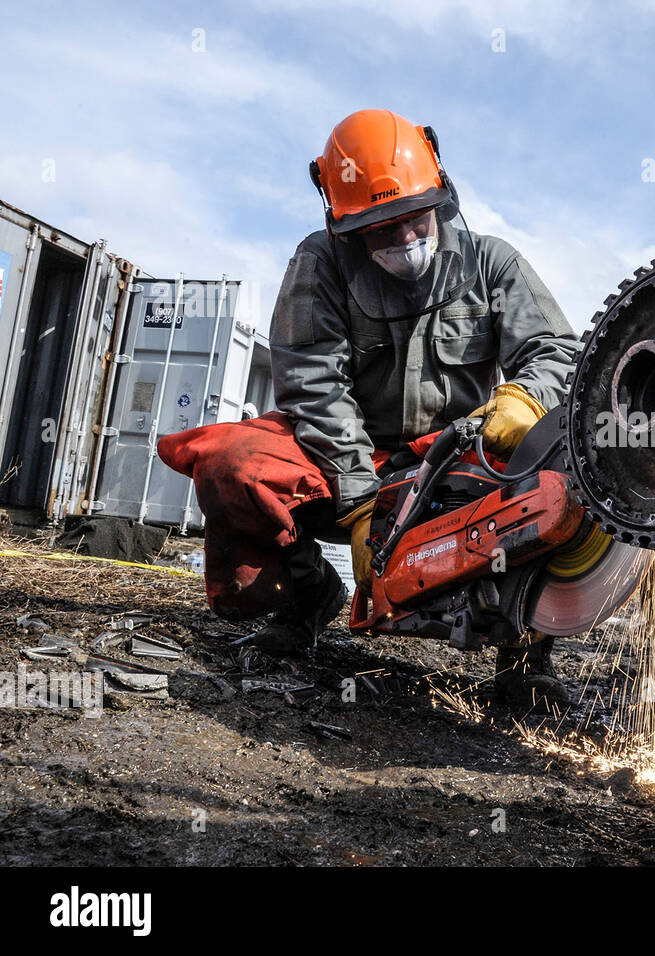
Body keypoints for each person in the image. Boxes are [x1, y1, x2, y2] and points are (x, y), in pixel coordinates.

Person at [164, 109, 580, 707]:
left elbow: (556, 352)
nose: (406, 240)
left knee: (561, 470)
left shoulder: (494, 263)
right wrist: (361, 501)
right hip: (343, 456)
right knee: (234, 465)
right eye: (383, 230)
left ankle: (524, 655)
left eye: (415, 219)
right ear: (346, 225)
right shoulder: (320, 264)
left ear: (440, 196)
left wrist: (524, 398)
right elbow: (313, 383)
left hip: (455, 461)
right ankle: (306, 595)